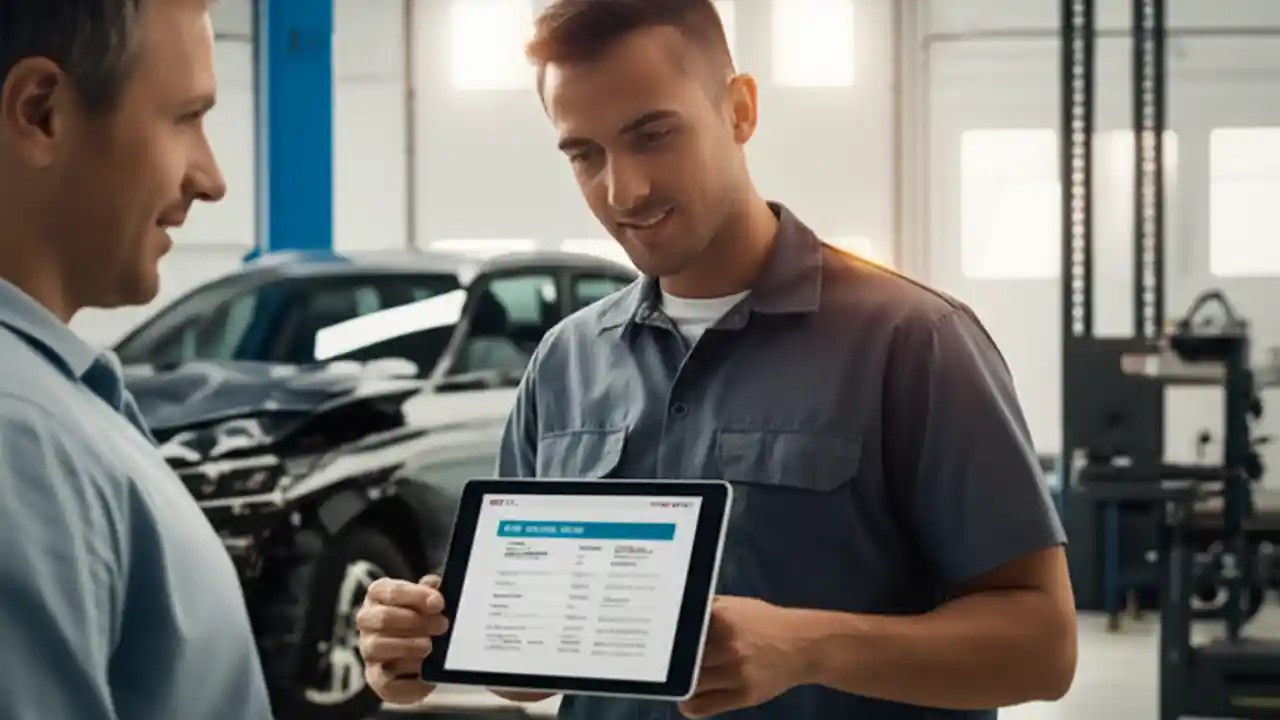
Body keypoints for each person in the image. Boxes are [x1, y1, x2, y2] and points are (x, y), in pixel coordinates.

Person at [356, 1, 1078, 718]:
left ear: (739, 110)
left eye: (654, 134)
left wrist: (809, 647)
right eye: (585, 154)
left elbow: (1043, 649)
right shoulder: (565, 363)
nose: (623, 191)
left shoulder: (915, 342)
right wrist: (431, 639)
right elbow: (531, 672)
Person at [0, 1, 273, 718]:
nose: (211, 179)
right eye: (186, 117)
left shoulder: (48, 404)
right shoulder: (18, 438)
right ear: (41, 113)